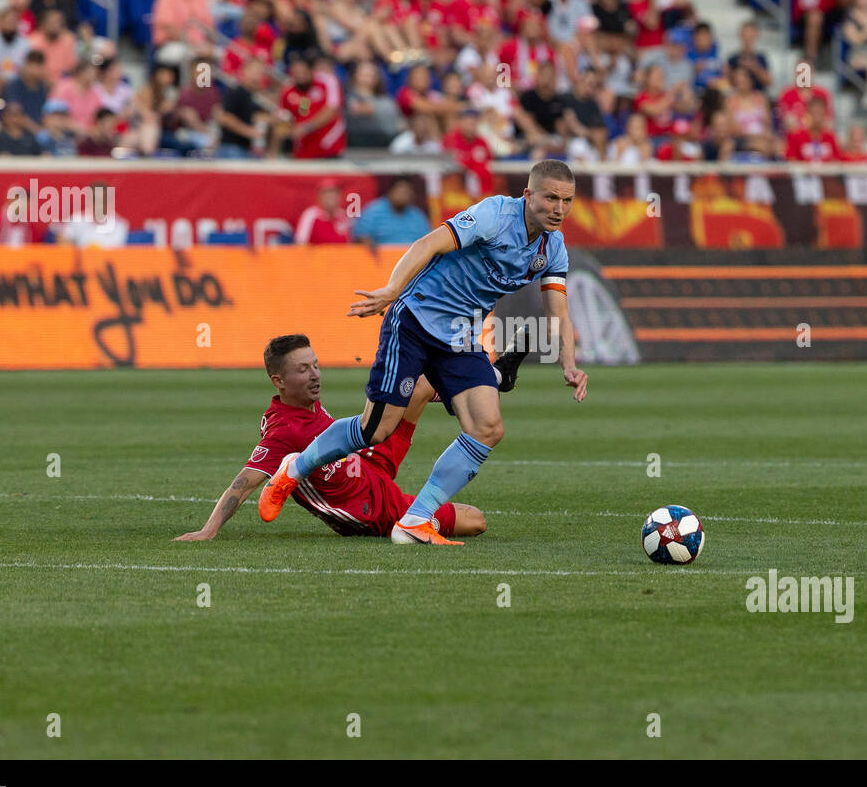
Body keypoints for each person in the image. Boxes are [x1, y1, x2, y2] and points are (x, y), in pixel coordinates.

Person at [257, 160, 588, 546]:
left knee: (488, 427)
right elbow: (427, 244)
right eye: (551, 198)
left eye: (567, 200)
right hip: (415, 318)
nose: (559, 209)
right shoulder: (494, 215)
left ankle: (415, 519)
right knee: (375, 429)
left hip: (460, 335)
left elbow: (558, 311)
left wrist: (569, 363)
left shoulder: (553, 248)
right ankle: (294, 467)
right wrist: (393, 289)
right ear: (529, 194)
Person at [173, 332, 533, 543]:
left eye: (315, 365)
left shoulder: (306, 406)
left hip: (370, 463)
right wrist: (209, 530)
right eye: (302, 370)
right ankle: (414, 520)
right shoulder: (285, 429)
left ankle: (498, 377)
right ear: (278, 381)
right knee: (477, 520)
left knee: (420, 386)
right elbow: (247, 479)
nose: (315, 375)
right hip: (371, 510)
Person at [352, 177, 432, 246]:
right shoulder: (373, 211)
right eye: (400, 192)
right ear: (390, 192)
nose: (402, 196)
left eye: (406, 193)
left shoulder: (417, 216)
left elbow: (427, 240)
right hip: (380, 260)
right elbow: (361, 235)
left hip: (412, 259)